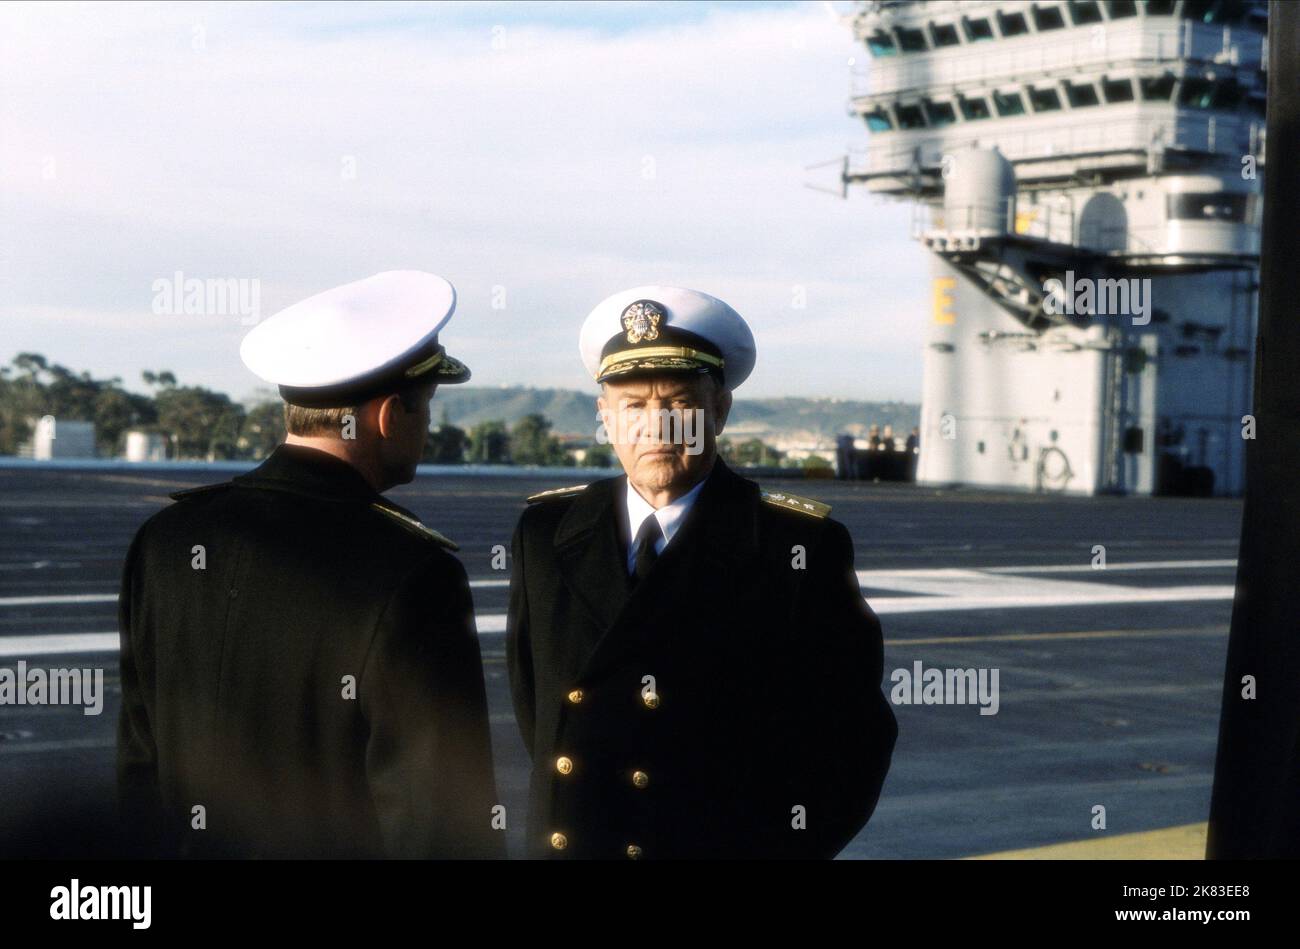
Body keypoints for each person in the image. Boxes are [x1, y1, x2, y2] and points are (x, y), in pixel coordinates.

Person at [116, 270, 501, 858]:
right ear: (388, 416)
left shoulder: (166, 539)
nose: (426, 429)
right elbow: (438, 827)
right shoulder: (411, 571)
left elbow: (139, 770)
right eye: (424, 410)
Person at [506, 286, 897, 859]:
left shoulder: (797, 547)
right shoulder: (545, 533)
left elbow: (853, 739)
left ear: (719, 410)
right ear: (605, 417)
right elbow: (537, 712)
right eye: (634, 406)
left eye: (678, 403)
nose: (657, 426)